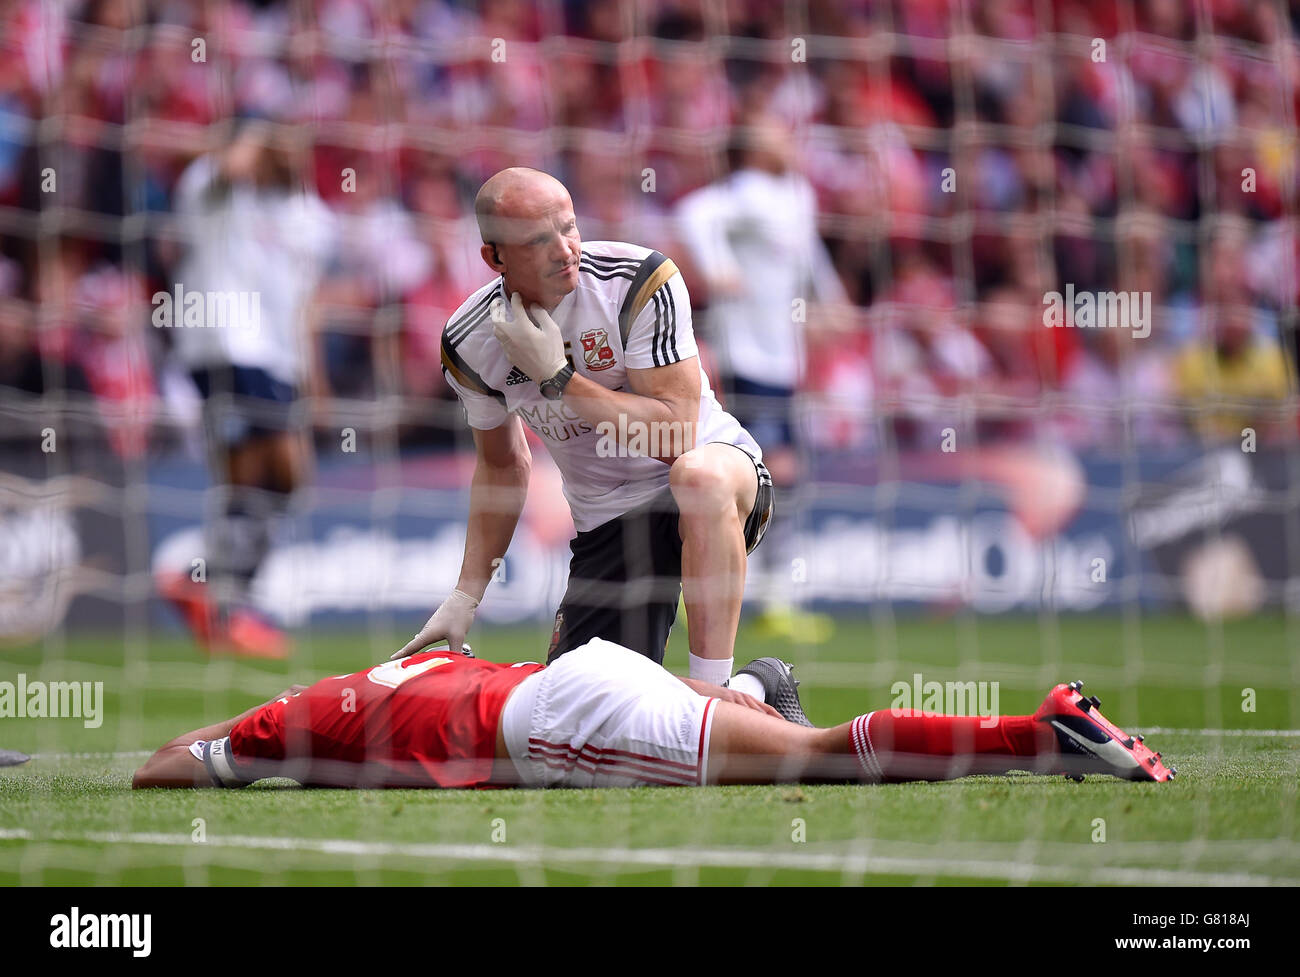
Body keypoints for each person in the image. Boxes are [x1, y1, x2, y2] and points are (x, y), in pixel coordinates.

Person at [396, 166, 773, 695]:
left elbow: (674, 438)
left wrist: (559, 379)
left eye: (569, 227)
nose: (565, 249)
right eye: (538, 240)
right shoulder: (469, 342)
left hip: (716, 474)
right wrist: (465, 596)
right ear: (494, 257)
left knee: (697, 476)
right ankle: (764, 688)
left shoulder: (638, 280)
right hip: (609, 521)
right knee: (577, 718)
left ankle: (722, 694)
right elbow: (503, 465)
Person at [131, 641, 1174, 790]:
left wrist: (226, 741)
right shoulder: (403, 665)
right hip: (586, 670)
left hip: (554, 718)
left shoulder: (299, 721)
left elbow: (163, 770)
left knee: (817, 761)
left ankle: (1041, 736)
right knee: (777, 734)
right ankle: (753, 685)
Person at [158, 122, 334, 658]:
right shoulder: (215, 187)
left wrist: (315, 376)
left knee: (285, 479)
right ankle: (225, 606)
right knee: (254, 469)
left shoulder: (311, 220)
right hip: (222, 345)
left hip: (277, 360)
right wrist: (253, 137)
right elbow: (233, 165)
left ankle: (208, 587)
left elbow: (306, 304)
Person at [674, 115, 852, 641]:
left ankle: (774, 597)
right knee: (761, 472)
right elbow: (693, 212)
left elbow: (809, 256)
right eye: (776, 132)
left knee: (779, 480)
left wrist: (832, 299)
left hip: (784, 360)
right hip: (744, 357)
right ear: (753, 148)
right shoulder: (747, 194)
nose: (788, 137)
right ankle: (706, 585)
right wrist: (716, 265)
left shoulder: (797, 194)